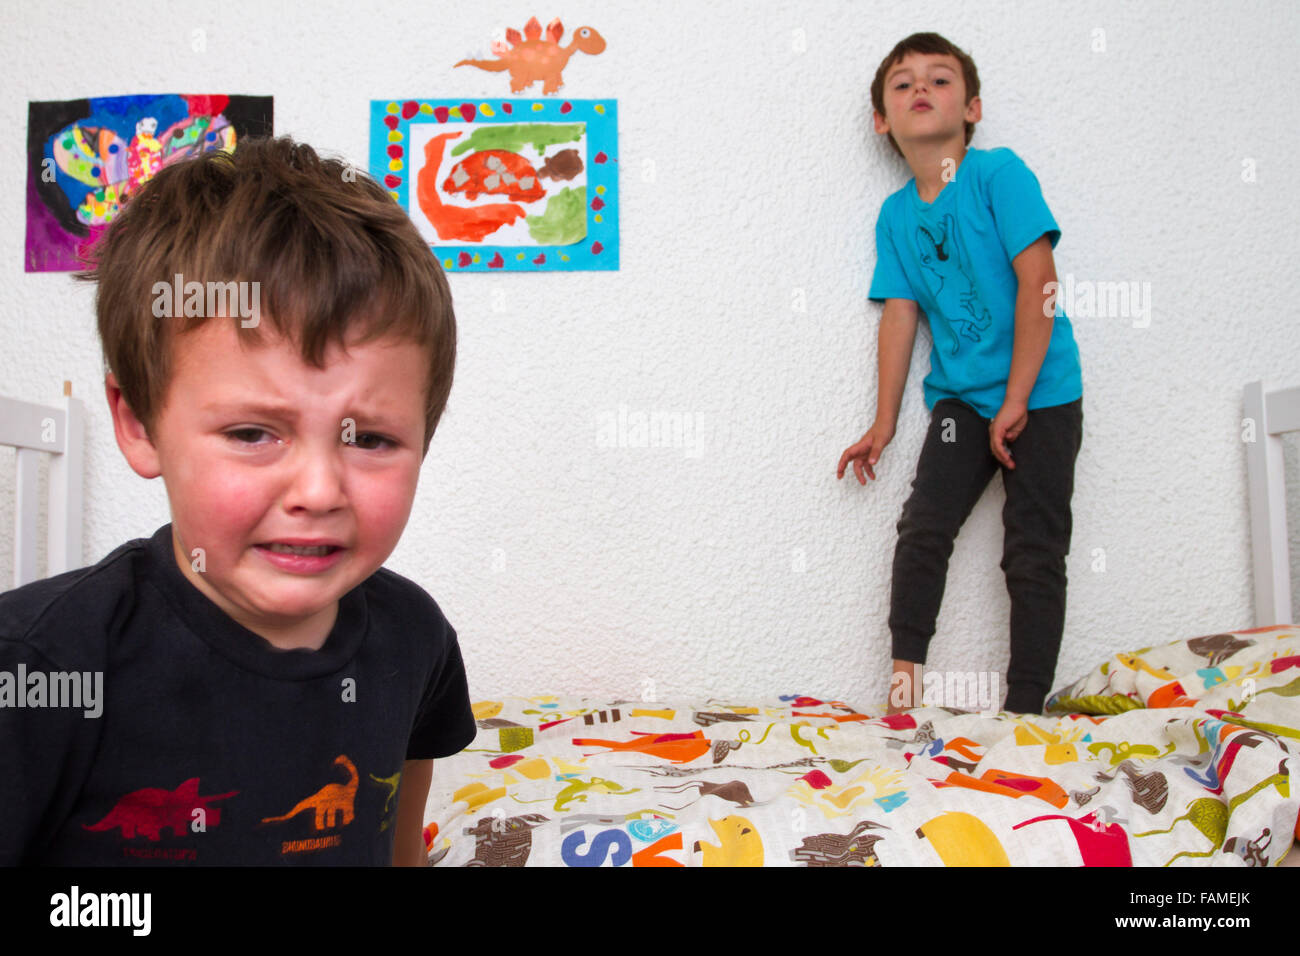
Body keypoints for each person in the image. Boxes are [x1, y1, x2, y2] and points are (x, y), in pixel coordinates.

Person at [0, 136, 476, 864]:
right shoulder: (37, 669)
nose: (318, 491)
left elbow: (397, 846)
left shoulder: (418, 640)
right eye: (254, 432)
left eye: (372, 440)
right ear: (139, 424)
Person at [837, 33, 1083, 715]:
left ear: (971, 107)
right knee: (923, 528)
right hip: (963, 405)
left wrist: (1018, 398)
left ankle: (1025, 713)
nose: (922, 89)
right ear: (883, 120)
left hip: (1044, 392)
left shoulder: (997, 174)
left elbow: (1040, 283)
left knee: (1033, 552)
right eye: (904, 83)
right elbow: (899, 317)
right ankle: (901, 698)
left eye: (940, 80)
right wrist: (882, 423)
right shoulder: (895, 217)